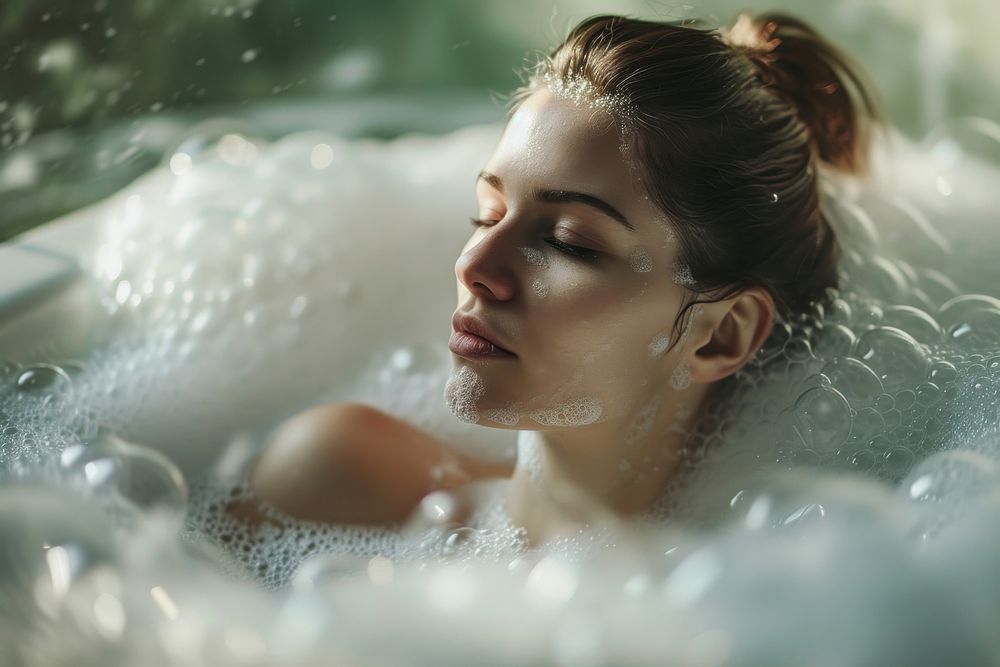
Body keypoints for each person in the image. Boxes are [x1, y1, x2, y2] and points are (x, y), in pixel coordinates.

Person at [247, 11, 883, 544]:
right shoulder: (337, 486)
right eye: (488, 212)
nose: (473, 266)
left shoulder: (762, 618)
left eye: (567, 242)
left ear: (720, 336)